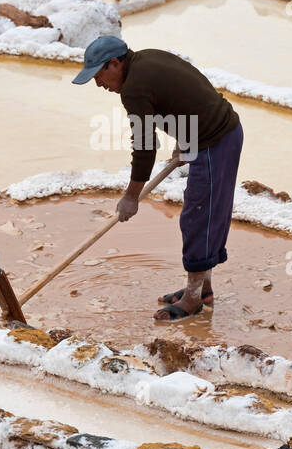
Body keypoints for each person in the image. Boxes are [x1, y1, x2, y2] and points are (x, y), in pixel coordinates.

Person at [74, 35, 243, 321]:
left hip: (216, 142)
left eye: (99, 74)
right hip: (214, 136)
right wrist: (187, 137)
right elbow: (187, 92)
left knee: (198, 216)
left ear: (115, 63)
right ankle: (203, 289)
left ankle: (192, 299)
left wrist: (131, 196)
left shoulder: (134, 87)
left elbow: (144, 144)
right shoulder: (147, 58)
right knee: (205, 213)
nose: (98, 84)